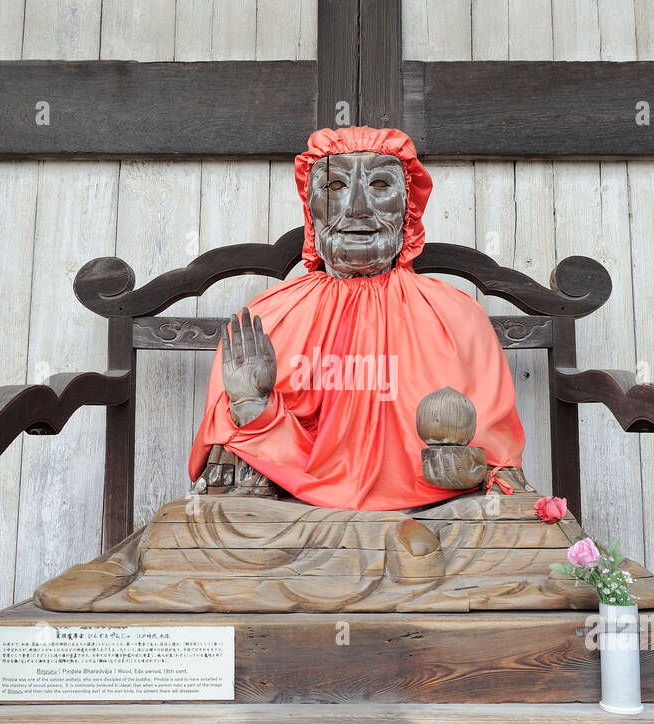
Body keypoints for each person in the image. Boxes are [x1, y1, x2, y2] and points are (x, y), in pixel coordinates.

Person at [187, 126, 526, 511]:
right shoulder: (269, 318)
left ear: (408, 205)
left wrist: (463, 463)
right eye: (334, 187)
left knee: (481, 538)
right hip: (298, 506)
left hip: (427, 507)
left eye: (381, 183)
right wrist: (252, 407)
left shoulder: (455, 316)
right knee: (233, 530)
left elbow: (495, 452)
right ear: (310, 207)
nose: (357, 208)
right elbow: (233, 463)